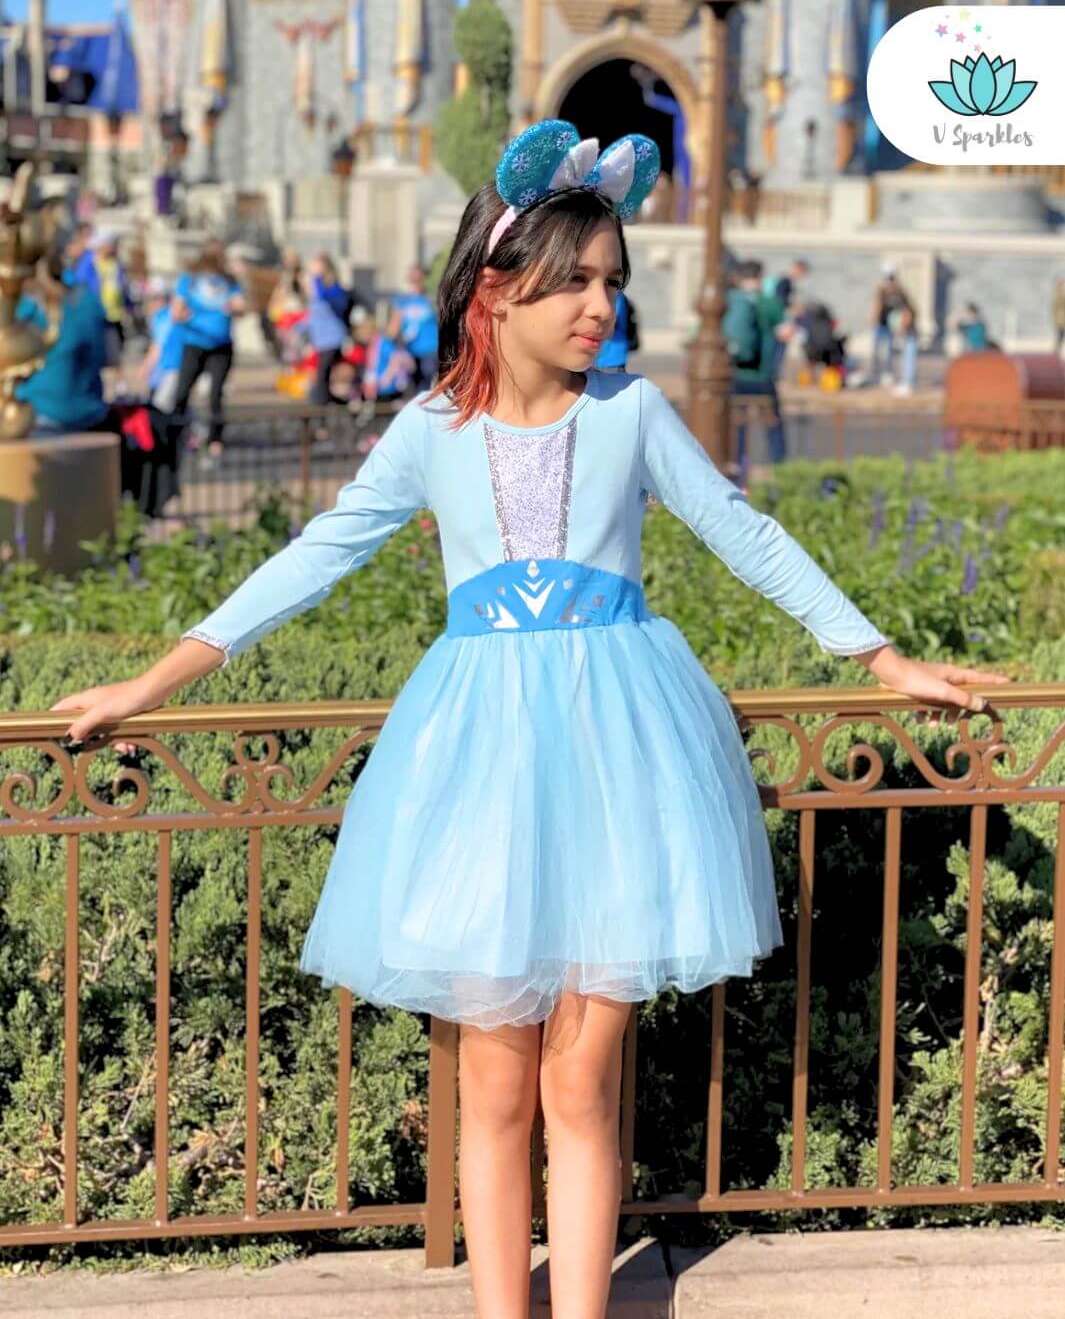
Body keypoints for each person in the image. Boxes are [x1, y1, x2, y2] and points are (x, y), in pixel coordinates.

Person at [49, 117, 1009, 1319]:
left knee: (580, 1082)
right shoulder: (428, 433)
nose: (602, 306)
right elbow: (313, 557)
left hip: (620, 758)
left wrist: (879, 655)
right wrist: (149, 684)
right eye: (575, 283)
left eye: (613, 281)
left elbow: (744, 532)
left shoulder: (632, 414)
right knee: (495, 1088)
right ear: (497, 292)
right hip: (479, 768)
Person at [14, 248, 110, 432]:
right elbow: (111, 357)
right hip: (91, 412)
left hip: (42, 413)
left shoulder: (27, 309)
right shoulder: (90, 301)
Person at [169, 239, 245, 460]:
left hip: (220, 346)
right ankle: (176, 434)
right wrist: (186, 315)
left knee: (215, 395)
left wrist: (234, 306)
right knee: (182, 391)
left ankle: (215, 439)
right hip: (195, 343)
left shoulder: (229, 281)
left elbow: (240, 306)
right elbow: (176, 311)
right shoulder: (190, 280)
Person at [725, 260, 787, 465]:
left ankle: (738, 466)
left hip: (736, 372)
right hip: (762, 373)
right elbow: (785, 332)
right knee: (772, 423)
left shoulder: (729, 300)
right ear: (760, 277)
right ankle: (778, 466)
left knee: (738, 423)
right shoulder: (769, 302)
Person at [72, 228, 132, 372]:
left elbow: (122, 287)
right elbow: (80, 285)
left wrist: (128, 305)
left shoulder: (116, 264)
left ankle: (118, 382)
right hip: (94, 315)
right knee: (96, 354)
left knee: (115, 354)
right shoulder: (88, 262)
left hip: (114, 315)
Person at [304, 254, 354, 407]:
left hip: (332, 340)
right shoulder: (314, 295)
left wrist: (316, 280)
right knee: (323, 376)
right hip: (320, 341)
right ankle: (334, 404)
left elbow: (329, 300)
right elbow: (313, 318)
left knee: (323, 375)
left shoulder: (333, 289)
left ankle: (321, 409)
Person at [138, 276, 186, 413]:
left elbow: (158, 346)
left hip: (173, 366)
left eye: (159, 297)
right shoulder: (158, 317)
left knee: (162, 406)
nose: (155, 302)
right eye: (152, 298)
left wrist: (146, 366)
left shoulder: (167, 317)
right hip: (163, 368)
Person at [870, 263, 917, 393]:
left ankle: (906, 382)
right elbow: (877, 306)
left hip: (905, 329)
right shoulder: (881, 291)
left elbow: (907, 312)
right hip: (885, 325)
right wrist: (873, 319)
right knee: (882, 351)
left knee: (906, 355)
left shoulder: (900, 292)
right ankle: (883, 374)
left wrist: (902, 327)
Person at [392, 265, 439, 391]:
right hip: (410, 349)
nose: (415, 282)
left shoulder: (430, 299)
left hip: (430, 349)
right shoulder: (402, 301)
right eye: (412, 279)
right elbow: (394, 327)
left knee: (428, 380)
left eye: (418, 279)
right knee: (413, 385)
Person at [595, 289, 637, 373]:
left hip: (610, 355)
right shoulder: (618, 296)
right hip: (614, 353)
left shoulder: (615, 296)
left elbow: (610, 320)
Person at [1052, 275, 1065, 357]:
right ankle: (1056, 352)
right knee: (1060, 335)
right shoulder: (1060, 293)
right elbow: (1055, 307)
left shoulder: (1057, 293)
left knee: (1060, 335)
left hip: (1060, 318)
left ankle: (1056, 351)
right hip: (1061, 319)